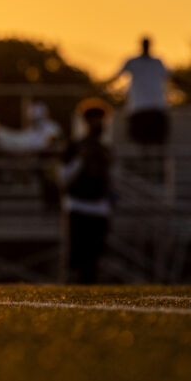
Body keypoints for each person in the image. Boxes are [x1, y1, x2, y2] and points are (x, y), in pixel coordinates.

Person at [60, 98, 113, 284]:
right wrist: (81, 161)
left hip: (99, 206)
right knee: (77, 254)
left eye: (100, 119)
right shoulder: (75, 146)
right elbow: (64, 176)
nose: (97, 123)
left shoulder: (105, 149)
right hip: (79, 205)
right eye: (93, 119)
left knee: (96, 255)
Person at [105, 36, 171, 148]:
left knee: (158, 141)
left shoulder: (157, 62)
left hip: (156, 108)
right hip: (139, 108)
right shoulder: (133, 62)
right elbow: (117, 76)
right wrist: (100, 86)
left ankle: (155, 163)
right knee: (140, 141)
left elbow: (172, 77)